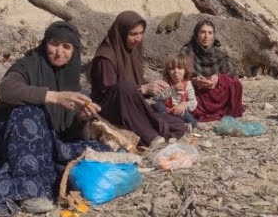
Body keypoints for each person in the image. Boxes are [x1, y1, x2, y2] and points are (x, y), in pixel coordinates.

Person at [0, 21, 107, 217]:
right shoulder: (28, 65)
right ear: (45, 43)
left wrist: (82, 119)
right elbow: (6, 90)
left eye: (66, 47)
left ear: (75, 51)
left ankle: (42, 178)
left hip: (46, 141)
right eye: (54, 44)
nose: (59, 52)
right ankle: (28, 192)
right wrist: (53, 96)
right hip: (10, 141)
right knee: (30, 113)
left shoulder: (72, 80)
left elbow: (68, 133)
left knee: (89, 149)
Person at [90, 10, 188, 147]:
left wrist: (153, 86)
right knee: (124, 87)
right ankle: (150, 137)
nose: (138, 38)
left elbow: (137, 83)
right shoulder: (105, 57)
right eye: (133, 34)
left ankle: (148, 132)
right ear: (121, 33)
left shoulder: (132, 50)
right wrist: (143, 89)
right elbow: (113, 92)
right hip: (111, 111)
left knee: (178, 125)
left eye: (141, 33)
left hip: (134, 109)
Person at [180, 19, 247, 122]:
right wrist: (194, 81)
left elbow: (232, 76)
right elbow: (177, 77)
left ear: (214, 35)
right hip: (197, 93)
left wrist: (218, 79)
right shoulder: (186, 52)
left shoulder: (219, 54)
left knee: (236, 84)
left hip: (216, 92)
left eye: (210, 33)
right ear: (196, 34)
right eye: (202, 32)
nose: (207, 36)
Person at [152, 54, 199, 127]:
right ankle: (170, 123)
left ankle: (185, 124)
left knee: (190, 119)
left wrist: (183, 105)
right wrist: (172, 89)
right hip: (166, 111)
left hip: (179, 111)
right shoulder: (165, 82)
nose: (176, 71)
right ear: (168, 71)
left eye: (180, 68)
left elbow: (193, 102)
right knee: (157, 106)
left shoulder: (187, 84)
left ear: (185, 70)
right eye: (172, 68)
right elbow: (157, 97)